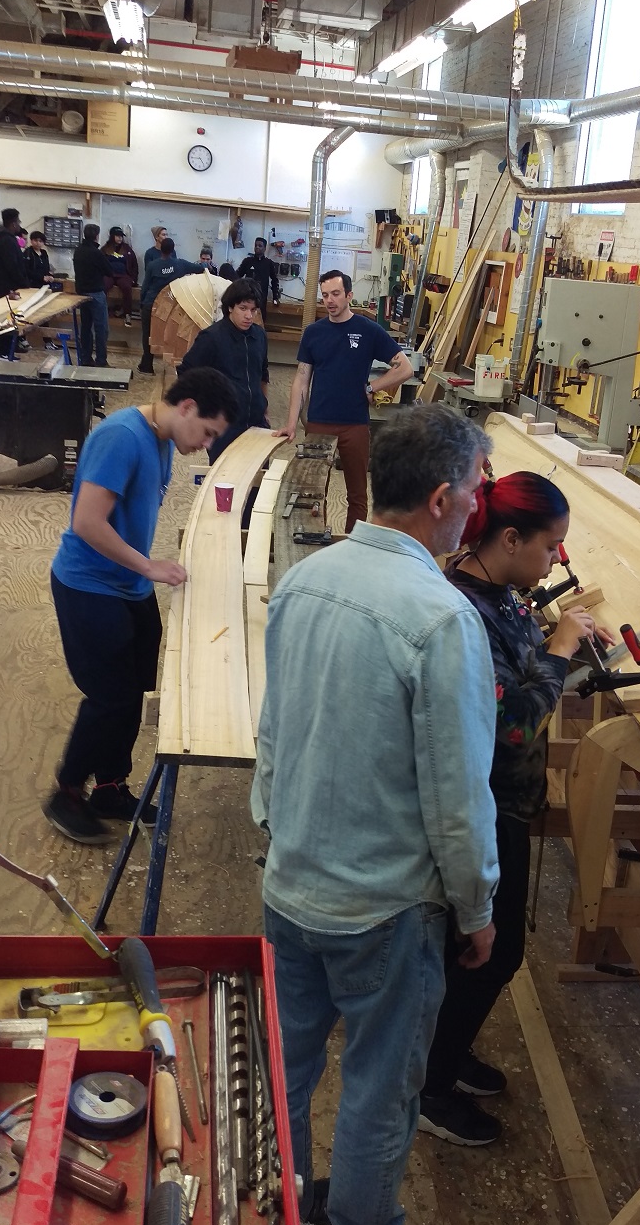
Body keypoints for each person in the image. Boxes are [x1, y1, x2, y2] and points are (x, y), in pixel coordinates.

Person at [252, 405, 499, 1225]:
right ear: (442, 497)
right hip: (383, 908)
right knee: (379, 1087)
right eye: (474, 491)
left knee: (286, 1068)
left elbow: (272, 734)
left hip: (292, 883)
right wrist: (475, 908)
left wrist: (277, 835)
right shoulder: (441, 618)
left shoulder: (304, 580)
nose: (476, 508)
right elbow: (457, 797)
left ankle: (269, 1221)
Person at [419, 472, 609, 1146]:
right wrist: (558, 652)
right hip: (487, 806)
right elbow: (514, 728)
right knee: (485, 955)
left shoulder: (499, 591)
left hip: (510, 803)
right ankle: (430, 1089)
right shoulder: (468, 612)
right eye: (551, 546)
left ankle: (446, 1054)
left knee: (487, 954)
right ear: (510, 538)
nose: (557, 558)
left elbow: (524, 671)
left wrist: (568, 649)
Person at [45, 368, 238, 845]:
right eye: (208, 432)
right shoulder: (121, 438)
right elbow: (88, 522)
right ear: (187, 407)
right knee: (109, 696)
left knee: (134, 692)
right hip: (89, 586)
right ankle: (66, 793)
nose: (205, 444)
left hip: (128, 587)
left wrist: (142, 574)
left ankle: (109, 787)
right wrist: (149, 566)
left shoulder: (163, 440)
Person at [277, 270, 414, 532]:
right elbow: (301, 379)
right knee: (312, 491)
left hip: (355, 425)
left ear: (349, 295)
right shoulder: (313, 333)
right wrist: (291, 423)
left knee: (357, 495)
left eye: (336, 294)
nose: (330, 300)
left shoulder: (368, 331)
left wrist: (372, 385)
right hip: (319, 422)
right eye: (325, 295)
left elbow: (404, 368)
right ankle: (315, 539)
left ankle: (354, 546)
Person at [177, 279, 270, 462]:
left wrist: (265, 409)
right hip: (225, 426)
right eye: (243, 308)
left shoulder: (259, 336)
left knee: (259, 482)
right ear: (229, 308)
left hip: (256, 423)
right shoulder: (211, 338)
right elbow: (186, 373)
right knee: (225, 482)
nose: (249, 316)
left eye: (253, 310)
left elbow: (263, 373)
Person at [137, 238, 198, 375]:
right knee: (173, 335)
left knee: (148, 335)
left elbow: (145, 287)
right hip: (169, 307)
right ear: (173, 249)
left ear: (160, 249)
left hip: (151, 304)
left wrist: (142, 304)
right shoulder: (180, 264)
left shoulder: (153, 265)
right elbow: (201, 268)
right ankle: (177, 366)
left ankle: (146, 365)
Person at [73, 224, 115, 368]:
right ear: (96, 235)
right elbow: (109, 271)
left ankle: (86, 358)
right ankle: (101, 360)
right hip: (96, 293)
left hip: (81, 293)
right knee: (101, 328)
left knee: (86, 327)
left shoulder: (78, 251)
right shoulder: (96, 253)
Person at [0, 208, 25, 357]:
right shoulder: (8, 240)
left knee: (2, 319)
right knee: (4, 320)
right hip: (3, 286)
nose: (19, 225)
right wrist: (23, 283)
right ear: (14, 223)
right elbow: (12, 266)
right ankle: (0, 351)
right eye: (18, 222)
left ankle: (0, 350)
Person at [103, 227, 139, 327]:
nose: (120, 238)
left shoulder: (127, 249)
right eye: (117, 236)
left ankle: (127, 313)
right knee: (103, 286)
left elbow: (134, 265)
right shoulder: (105, 248)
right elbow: (100, 263)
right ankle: (103, 311)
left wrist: (133, 279)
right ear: (112, 236)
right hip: (109, 274)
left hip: (123, 275)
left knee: (127, 287)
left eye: (121, 236)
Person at [236, 237, 279, 314]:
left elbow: (274, 280)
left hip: (261, 297)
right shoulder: (247, 261)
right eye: (256, 245)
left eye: (260, 246)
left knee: (260, 319)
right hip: (247, 296)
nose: (257, 247)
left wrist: (275, 297)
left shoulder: (269, 263)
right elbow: (237, 276)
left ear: (265, 248)